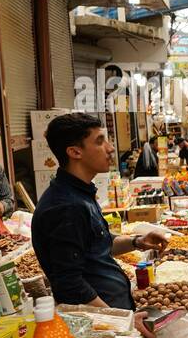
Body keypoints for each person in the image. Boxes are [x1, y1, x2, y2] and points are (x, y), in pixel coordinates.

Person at [32, 112, 167, 312]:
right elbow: (69, 285)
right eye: (100, 141)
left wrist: (137, 242)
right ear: (75, 152)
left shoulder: (80, 194)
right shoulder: (66, 207)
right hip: (103, 327)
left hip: (114, 318)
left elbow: (98, 244)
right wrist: (121, 321)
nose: (111, 148)